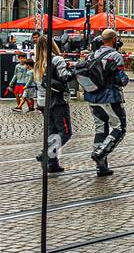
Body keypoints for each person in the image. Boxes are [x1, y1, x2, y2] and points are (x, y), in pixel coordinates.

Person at [76, 28, 128, 177]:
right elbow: (122, 79)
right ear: (114, 39)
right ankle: (100, 153)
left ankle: (101, 167)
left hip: (92, 97)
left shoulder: (92, 55)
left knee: (100, 130)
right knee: (120, 128)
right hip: (110, 97)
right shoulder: (115, 56)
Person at [32, 35, 74, 173]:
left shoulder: (37, 62)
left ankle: (52, 163)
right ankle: (46, 153)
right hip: (58, 100)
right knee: (65, 132)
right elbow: (65, 77)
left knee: (52, 132)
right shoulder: (57, 60)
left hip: (44, 101)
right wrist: (73, 69)